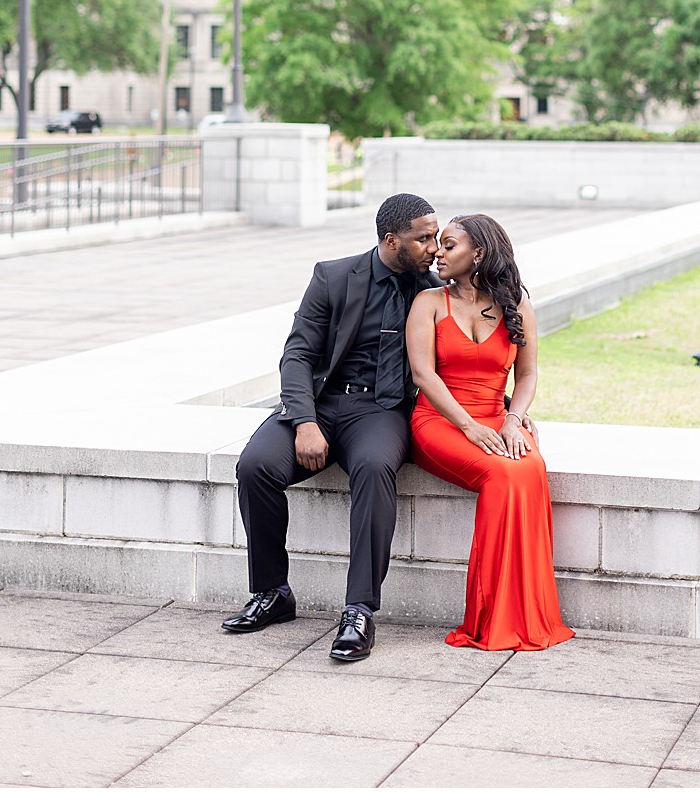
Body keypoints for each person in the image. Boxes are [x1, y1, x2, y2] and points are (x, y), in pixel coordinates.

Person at [223, 193, 441, 662]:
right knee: (255, 466)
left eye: (435, 236)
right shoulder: (334, 276)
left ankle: (358, 610)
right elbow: (297, 354)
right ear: (391, 240)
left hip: (382, 412)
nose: (433, 246)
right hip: (320, 404)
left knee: (374, 468)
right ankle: (273, 593)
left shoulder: (435, 289)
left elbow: (472, 355)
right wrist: (303, 421)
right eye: (423, 238)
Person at [406, 212, 574, 652]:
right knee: (502, 474)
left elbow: (529, 375)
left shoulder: (515, 304)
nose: (437, 254)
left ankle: (528, 615)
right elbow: (424, 375)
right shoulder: (429, 303)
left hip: (498, 420)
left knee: (529, 468)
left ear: (478, 253)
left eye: (449, 245)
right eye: (437, 244)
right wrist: (470, 427)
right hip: (440, 422)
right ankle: (489, 619)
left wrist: (513, 420)